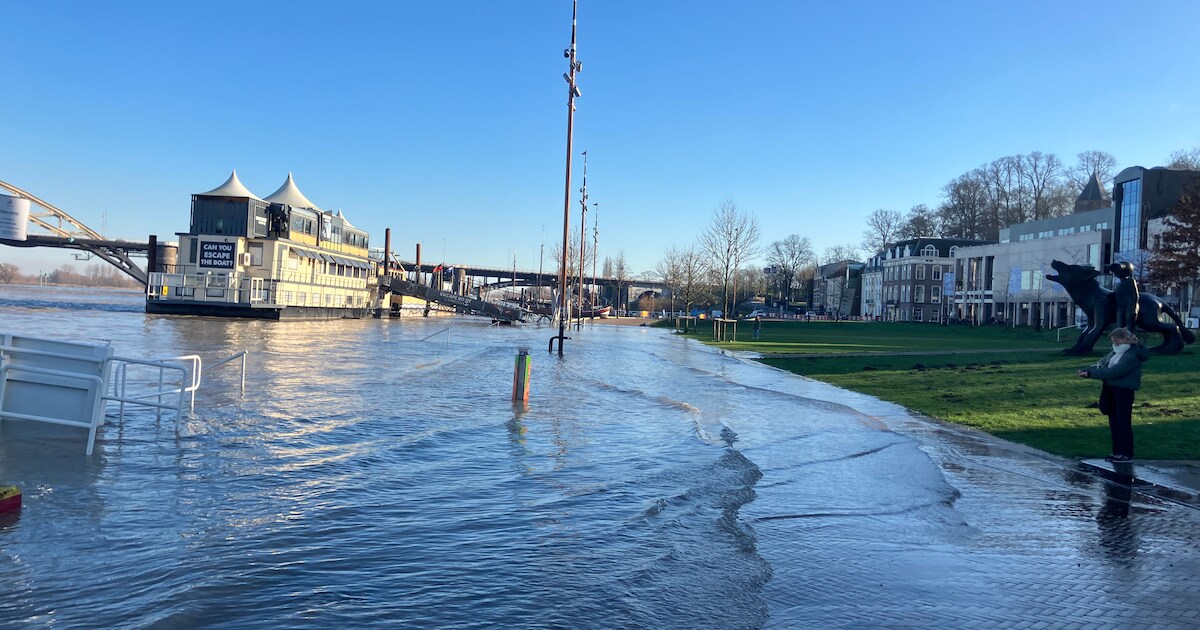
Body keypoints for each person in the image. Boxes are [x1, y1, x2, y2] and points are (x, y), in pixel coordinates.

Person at [1077, 327, 1149, 462]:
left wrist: (1091, 374)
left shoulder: (1132, 355)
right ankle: (1117, 452)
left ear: (1125, 339)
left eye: (1116, 341)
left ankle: (1126, 453)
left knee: (1123, 422)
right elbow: (1101, 365)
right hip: (1111, 388)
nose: (1114, 344)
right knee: (1114, 421)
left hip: (1123, 390)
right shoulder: (1115, 352)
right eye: (1113, 341)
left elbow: (1116, 371)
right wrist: (1087, 370)